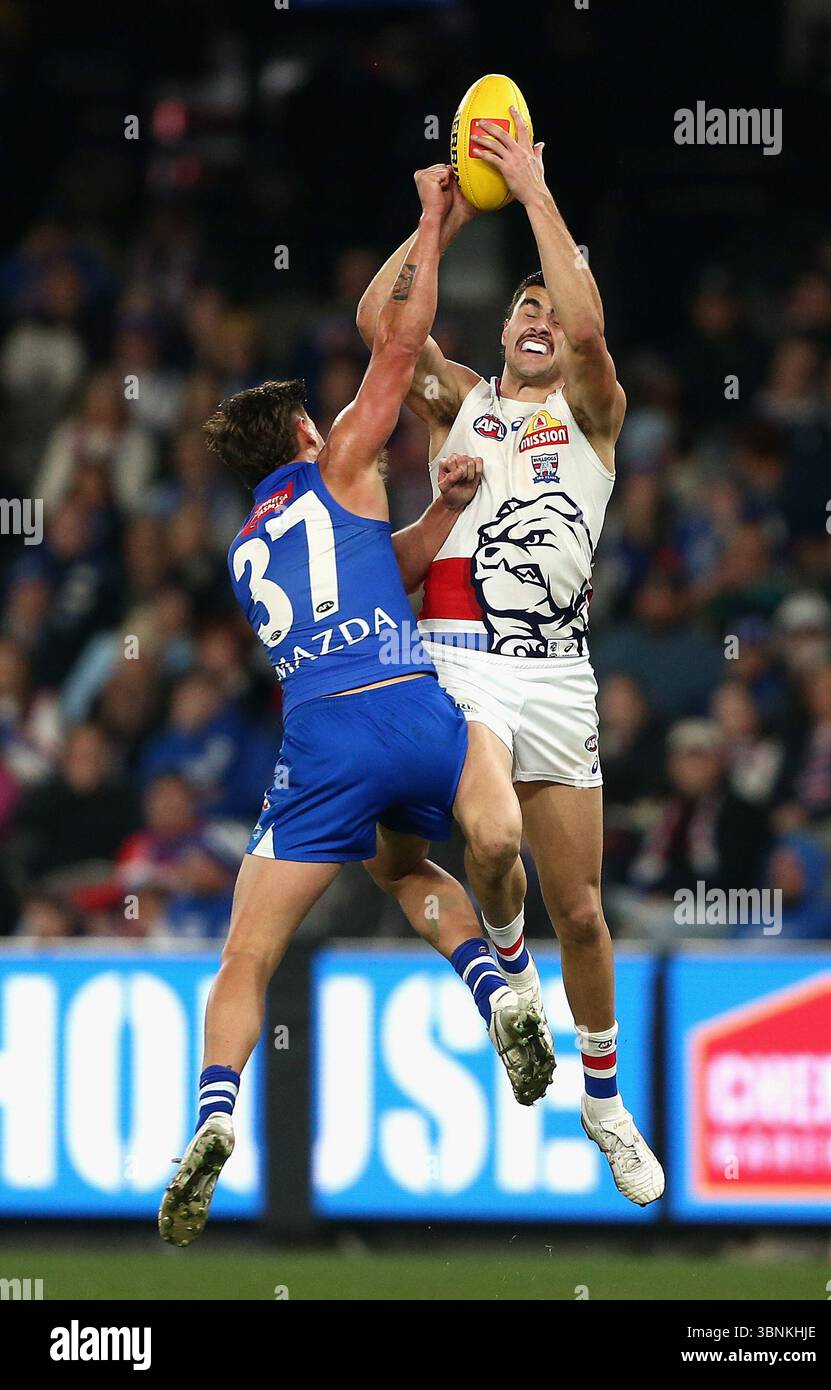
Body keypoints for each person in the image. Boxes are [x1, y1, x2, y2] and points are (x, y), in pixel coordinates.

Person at [158, 167, 554, 1248]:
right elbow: (394, 344)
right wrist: (435, 216)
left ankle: (212, 1114)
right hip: (410, 708)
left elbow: (374, 567)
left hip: (321, 738)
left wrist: (435, 514)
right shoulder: (339, 457)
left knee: (245, 957)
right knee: (415, 858)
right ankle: (501, 987)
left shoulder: (246, 545)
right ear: (298, 431)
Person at [356, 114, 663, 1204]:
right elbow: (375, 321)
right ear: (498, 334)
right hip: (459, 661)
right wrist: (429, 220)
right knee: (487, 838)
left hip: (557, 676)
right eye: (522, 307)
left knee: (581, 909)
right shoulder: (462, 404)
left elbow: (588, 332)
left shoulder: (592, 413)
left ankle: (602, 1098)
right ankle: (510, 986)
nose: (539, 319)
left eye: (549, 308)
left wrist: (532, 189)